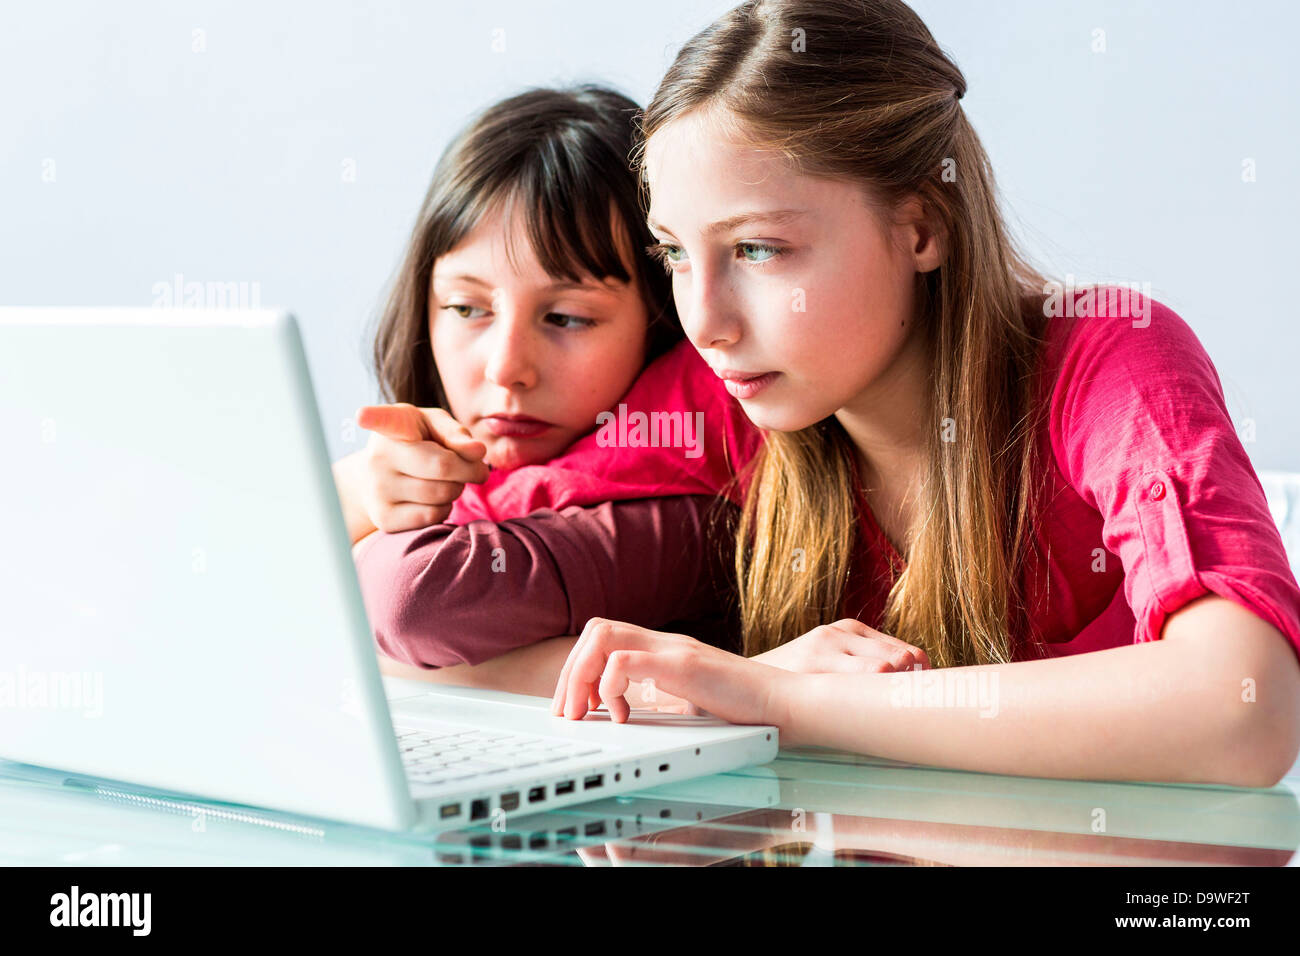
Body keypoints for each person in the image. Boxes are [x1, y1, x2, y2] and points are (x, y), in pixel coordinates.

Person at [550, 0, 1300, 787]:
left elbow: (1246, 710)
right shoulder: (727, 395)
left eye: (758, 249)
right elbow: (433, 607)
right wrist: (409, 471)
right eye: (673, 251)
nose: (704, 322)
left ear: (922, 227)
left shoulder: (1109, 357)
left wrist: (779, 700)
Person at [330, 86, 759, 698]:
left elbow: (411, 597)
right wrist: (354, 489)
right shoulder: (413, 473)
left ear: (662, 319)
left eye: (567, 318)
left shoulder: (692, 511)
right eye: (465, 307)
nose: (506, 369)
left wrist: (342, 515)